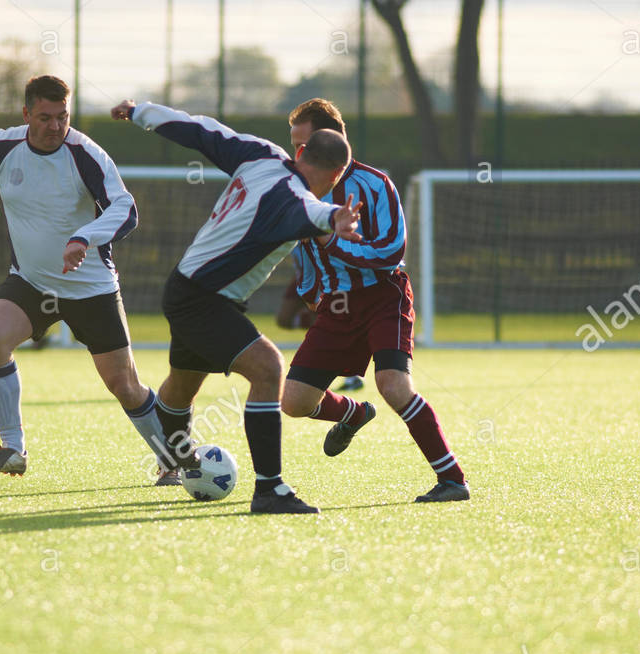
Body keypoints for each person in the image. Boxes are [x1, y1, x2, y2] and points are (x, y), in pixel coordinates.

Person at [0, 75, 175, 482]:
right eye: (45, 117)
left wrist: (84, 237)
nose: (55, 127)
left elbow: (126, 209)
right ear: (26, 114)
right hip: (31, 283)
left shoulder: (85, 154)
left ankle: (172, 458)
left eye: (63, 117)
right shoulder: (0, 148)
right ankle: (13, 448)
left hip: (91, 289)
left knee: (124, 385)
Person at [109, 98, 362, 514]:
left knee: (183, 381)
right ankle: (270, 490)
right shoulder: (295, 199)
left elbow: (200, 129)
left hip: (188, 288)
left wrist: (141, 111)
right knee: (269, 368)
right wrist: (337, 218)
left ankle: (173, 458)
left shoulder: (260, 154)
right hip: (204, 299)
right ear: (336, 175)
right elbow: (312, 211)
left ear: (300, 152)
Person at [278, 99, 469, 503]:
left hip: (383, 298)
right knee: (293, 402)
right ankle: (352, 413)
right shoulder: (295, 192)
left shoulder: (374, 183)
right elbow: (303, 256)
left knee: (393, 385)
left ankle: (452, 480)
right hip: (336, 308)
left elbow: (390, 253)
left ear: (332, 141)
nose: (296, 154)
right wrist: (313, 296)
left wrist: (333, 242)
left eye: (303, 144)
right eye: (293, 145)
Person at [275, 257, 363, 392]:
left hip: (325, 272)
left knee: (334, 321)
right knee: (284, 319)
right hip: (303, 272)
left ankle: (351, 377)